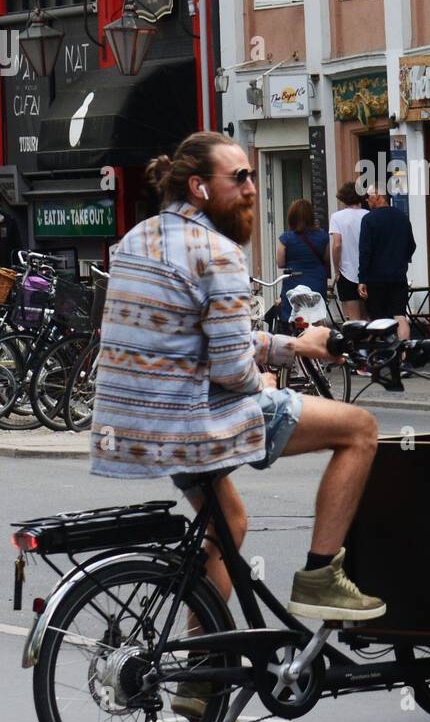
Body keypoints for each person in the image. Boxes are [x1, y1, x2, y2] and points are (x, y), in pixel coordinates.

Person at [90, 131, 384, 671]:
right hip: (195, 421)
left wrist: (294, 344)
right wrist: (264, 383)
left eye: (252, 175)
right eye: (240, 178)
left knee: (231, 523)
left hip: (137, 421)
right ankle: (321, 577)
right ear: (199, 187)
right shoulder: (217, 252)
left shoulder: (137, 238)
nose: (251, 188)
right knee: (360, 428)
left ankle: (201, 672)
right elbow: (231, 368)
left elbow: (197, 339)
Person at [358, 184, 416, 341]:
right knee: (400, 315)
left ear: (378, 196)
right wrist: (400, 261)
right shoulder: (402, 217)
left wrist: (362, 278)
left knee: (377, 318)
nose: (367, 201)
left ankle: (381, 355)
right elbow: (412, 245)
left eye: (369, 197)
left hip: (375, 278)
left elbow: (365, 251)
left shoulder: (368, 219)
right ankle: (404, 353)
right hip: (398, 276)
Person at [276, 198, 330, 326]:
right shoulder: (323, 236)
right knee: (315, 316)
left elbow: (280, 263)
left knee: (293, 316)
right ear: (311, 216)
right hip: (317, 282)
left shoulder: (286, 238)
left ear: (292, 217)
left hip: (293, 282)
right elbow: (327, 259)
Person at [328, 181, 368, 320]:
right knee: (368, 316)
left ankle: (357, 341)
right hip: (368, 271)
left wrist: (336, 269)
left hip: (346, 271)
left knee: (352, 318)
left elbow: (337, 245)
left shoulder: (337, 217)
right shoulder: (368, 215)